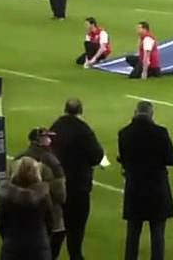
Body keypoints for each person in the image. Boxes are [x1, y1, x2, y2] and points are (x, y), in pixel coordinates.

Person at [118, 101, 173, 260]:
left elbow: (123, 158)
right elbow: (171, 159)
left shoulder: (124, 133)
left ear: (135, 112)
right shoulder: (161, 133)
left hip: (134, 188)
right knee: (157, 234)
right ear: (151, 114)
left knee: (133, 233)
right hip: (156, 189)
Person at [49, 99, 104, 260]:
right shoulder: (84, 130)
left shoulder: (56, 126)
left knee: (57, 232)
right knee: (76, 233)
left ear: (65, 110)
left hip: (57, 186)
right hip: (78, 187)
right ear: (81, 111)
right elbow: (97, 155)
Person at [15, 127, 66, 259]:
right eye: (46, 138)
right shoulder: (51, 161)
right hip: (49, 215)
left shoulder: (18, 158)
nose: (49, 140)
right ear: (38, 140)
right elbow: (60, 193)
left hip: (22, 213)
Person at [0, 156, 52, 260]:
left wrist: (9, 239)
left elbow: (2, 223)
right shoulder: (43, 196)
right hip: (39, 248)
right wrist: (43, 238)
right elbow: (49, 222)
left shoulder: (7, 197)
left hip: (13, 248)